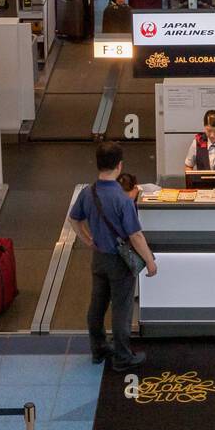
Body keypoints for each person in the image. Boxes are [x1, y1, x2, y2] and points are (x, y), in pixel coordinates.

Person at [67, 141, 156, 371]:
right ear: (119, 165)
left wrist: (88, 240)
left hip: (98, 259)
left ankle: (98, 350)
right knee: (121, 309)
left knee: (97, 305)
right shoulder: (122, 199)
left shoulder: (89, 192)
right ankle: (122, 357)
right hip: (119, 262)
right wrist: (149, 260)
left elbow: (74, 219)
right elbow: (135, 236)